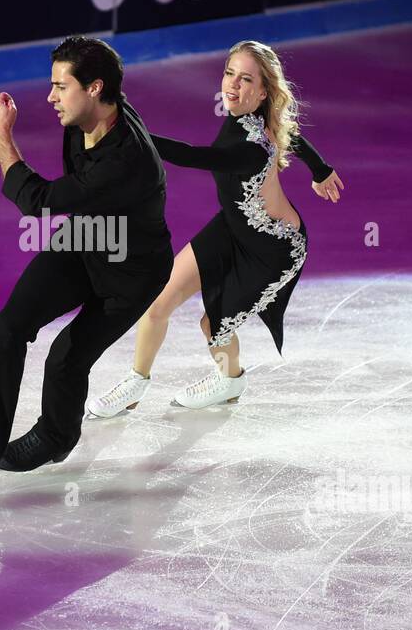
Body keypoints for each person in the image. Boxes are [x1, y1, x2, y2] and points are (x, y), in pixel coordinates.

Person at [0, 36, 173, 500]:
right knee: (11, 324)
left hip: (132, 271)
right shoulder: (89, 114)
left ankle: (56, 438)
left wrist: (1, 138)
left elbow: (39, 202)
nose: (50, 97)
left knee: (67, 355)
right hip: (88, 239)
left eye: (60, 87)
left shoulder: (125, 161)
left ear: (95, 88)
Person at [88, 40, 344, 416]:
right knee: (157, 300)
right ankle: (135, 383)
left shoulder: (252, 148)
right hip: (233, 226)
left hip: (273, 249)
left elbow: (196, 156)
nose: (233, 86)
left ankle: (230, 379)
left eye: (245, 80)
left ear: (263, 92)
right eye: (229, 74)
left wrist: (130, 137)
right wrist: (320, 169)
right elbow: (293, 135)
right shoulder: (253, 117)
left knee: (214, 324)